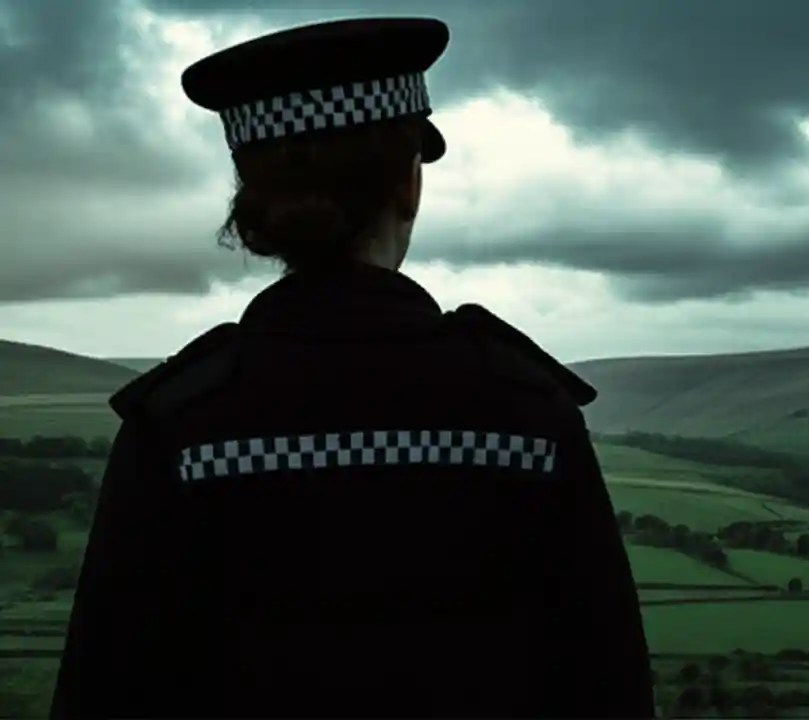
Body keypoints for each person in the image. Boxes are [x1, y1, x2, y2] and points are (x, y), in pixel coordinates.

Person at [50, 17, 654, 719]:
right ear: (409, 186)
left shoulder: (178, 424)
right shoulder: (528, 411)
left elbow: (105, 686)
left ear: (256, 201)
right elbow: (608, 684)